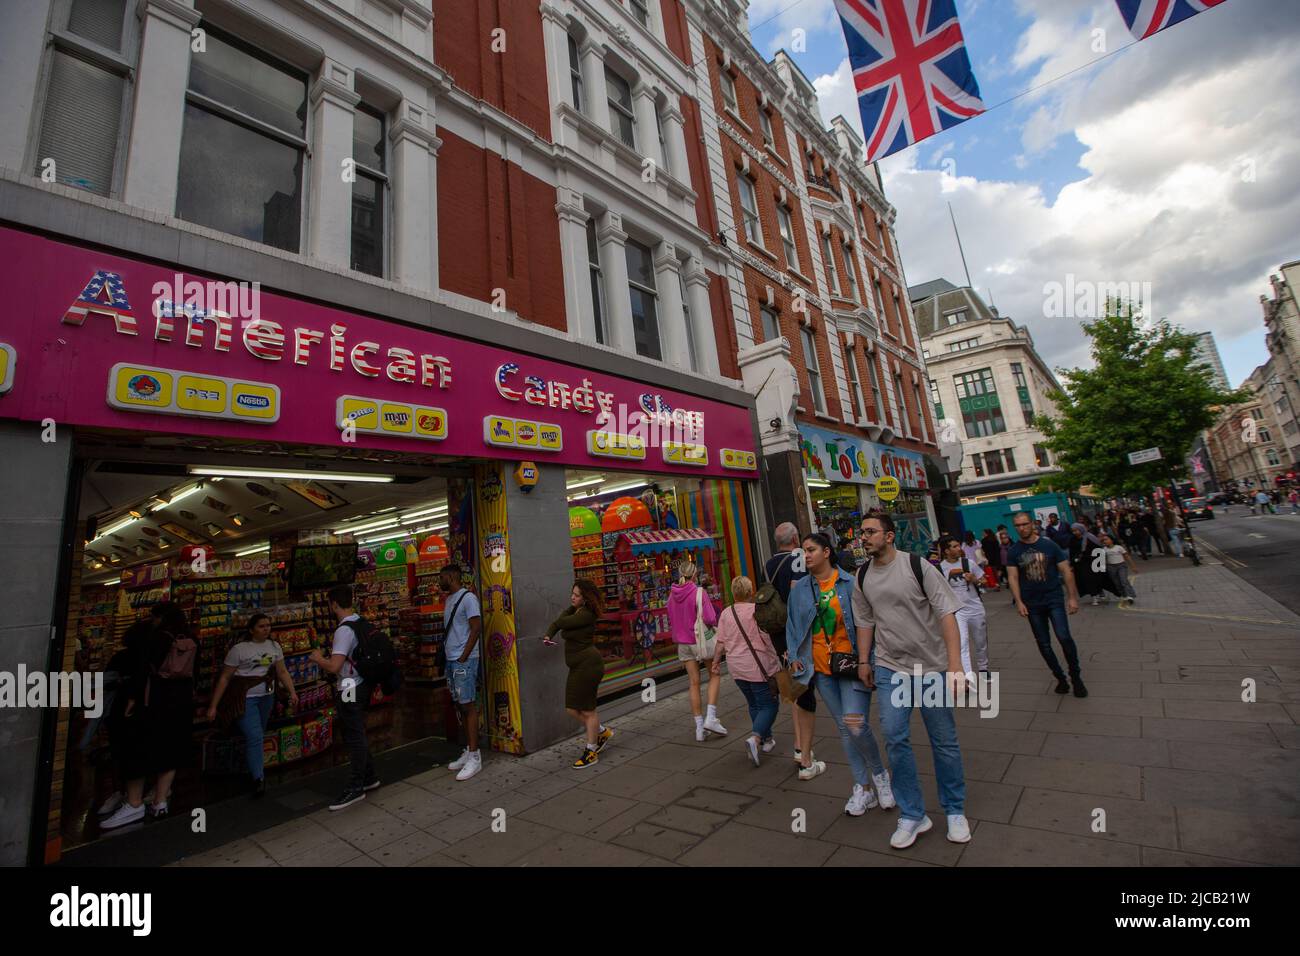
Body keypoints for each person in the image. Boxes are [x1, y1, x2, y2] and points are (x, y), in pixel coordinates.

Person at [853, 515, 968, 849]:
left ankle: (955, 809)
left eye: (870, 532)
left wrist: (956, 665)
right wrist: (864, 660)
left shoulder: (918, 567)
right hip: (891, 668)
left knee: (943, 741)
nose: (864, 538)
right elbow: (865, 622)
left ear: (889, 536)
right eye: (862, 533)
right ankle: (913, 813)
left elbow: (947, 614)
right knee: (894, 736)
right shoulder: (862, 576)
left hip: (930, 669)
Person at [786, 533, 894, 818]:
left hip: (852, 664)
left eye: (810, 550)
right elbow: (793, 625)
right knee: (845, 728)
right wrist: (795, 657)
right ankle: (863, 788)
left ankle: (881, 777)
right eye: (803, 551)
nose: (805, 555)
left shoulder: (850, 583)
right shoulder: (799, 590)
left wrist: (866, 660)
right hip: (820, 670)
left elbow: (866, 622)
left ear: (826, 552)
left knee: (855, 724)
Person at [101, 603, 197, 829]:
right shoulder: (192, 639)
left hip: (153, 702)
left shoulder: (156, 639)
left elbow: (142, 672)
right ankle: (160, 800)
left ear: (160, 618)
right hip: (181, 703)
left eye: (154, 616)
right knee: (171, 750)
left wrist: (133, 699)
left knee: (139, 750)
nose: (151, 620)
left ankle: (133, 804)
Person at [206, 614, 298, 798]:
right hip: (245, 699)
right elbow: (225, 678)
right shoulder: (239, 650)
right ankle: (258, 778)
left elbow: (282, 671)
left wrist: (292, 691)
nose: (266, 629)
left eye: (268, 625)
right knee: (255, 735)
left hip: (267, 696)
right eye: (261, 626)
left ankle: (249, 766)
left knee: (258, 733)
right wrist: (213, 706)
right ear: (251, 630)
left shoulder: (274, 647)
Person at [309, 585, 382, 809]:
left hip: (350, 685)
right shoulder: (360, 621)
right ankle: (369, 777)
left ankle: (355, 787)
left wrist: (318, 658)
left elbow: (334, 666)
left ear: (333, 604)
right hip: (363, 683)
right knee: (356, 730)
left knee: (353, 735)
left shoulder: (343, 630)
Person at [762, 522, 822, 780]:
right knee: (805, 688)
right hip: (801, 630)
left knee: (794, 686)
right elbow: (802, 591)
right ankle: (803, 750)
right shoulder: (800, 557)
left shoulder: (769, 564)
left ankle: (800, 747)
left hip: (779, 633)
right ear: (796, 538)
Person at [1007, 513, 1088, 698]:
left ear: (1032, 524)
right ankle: (1060, 678)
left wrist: (1072, 597)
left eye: (1025, 524)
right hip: (1032, 603)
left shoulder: (1049, 545)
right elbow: (1012, 577)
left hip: (1054, 599)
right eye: (1017, 525)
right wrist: (1018, 601)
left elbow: (1066, 570)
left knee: (1064, 637)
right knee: (1044, 644)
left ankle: (1076, 677)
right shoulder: (1014, 551)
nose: (1021, 528)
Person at [711, 576, 782, 766]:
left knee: (753, 704)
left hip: (737, 668)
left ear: (734, 593)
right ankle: (756, 738)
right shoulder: (756, 611)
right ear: (751, 592)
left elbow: (720, 643)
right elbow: (767, 639)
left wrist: (716, 663)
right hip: (758, 667)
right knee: (769, 705)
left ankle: (767, 740)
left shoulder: (726, 613)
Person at [546, 579, 611, 769]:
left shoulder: (586, 615)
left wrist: (554, 629)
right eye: (572, 594)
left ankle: (591, 752)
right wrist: (549, 634)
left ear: (586, 598)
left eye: (576, 595)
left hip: (588, 666)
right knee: (572, 708)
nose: (571, 597)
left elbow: (560, 622)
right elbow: (560, 622)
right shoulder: (578, 610)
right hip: (578, 667)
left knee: (588, 710)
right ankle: (601, 732)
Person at [668, 561, 727, 740]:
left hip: (683, 644)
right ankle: (711, 716)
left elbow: (671, 616)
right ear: (694, 575)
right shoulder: (698, 592)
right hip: (701, 641)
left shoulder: (672, 595)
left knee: (693, 682)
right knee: (714, 674)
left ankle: (699, 728)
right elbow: (709, 618)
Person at [439, 567, 484, 781]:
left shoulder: (469, 599)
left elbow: (476, 627)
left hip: (463, 660)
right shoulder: (448, 600)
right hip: (452, 659)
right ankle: (469, 749)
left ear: (451, 577)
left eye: (442, 577)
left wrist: (464, 656)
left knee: (468, 704)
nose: (440, 581)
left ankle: (475, 756)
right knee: (459, 705)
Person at [938, 536, 989, 679]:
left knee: (980, 641)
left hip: (975, 608)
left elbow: (984, 581)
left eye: (958, 545)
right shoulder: (940, 568)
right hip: (956, 611)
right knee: (962, 643)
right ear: (946, 551)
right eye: (954, 547)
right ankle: (968, 676)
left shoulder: (969, 563)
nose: (958, 548)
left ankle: (983, 667)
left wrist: (974, 580)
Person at [1068, 523, 1110, 606]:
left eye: (1076, 530)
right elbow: (1072, 551)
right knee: (1087, 579)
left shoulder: (1090, 537)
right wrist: (1072, 561)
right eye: (1073, 531)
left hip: (1093, 561)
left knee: (1096, 577)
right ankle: (1094, 596)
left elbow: (1098, 548)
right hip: (1081, 563)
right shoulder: (1072, 539)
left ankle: (1099, 591)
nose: (1075, 533)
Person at [1099, 532, 1140, 607]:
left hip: (1121, 566)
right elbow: (1103, 560)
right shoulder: (1104, 550)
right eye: (1104, 540)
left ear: (1112, 540)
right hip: (1111, 567)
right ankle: (1124, 595)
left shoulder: (1119, 547)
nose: (1105, 541)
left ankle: (1130, 596)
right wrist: (1103, 568)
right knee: (1117, 583)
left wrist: (1133, 566)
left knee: (1123, 581)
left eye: (1106, 539)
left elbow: (1127, 556)